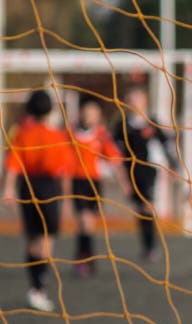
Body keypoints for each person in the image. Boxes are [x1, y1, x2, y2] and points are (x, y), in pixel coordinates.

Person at [1, 90, 73, 311]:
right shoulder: (58, 136)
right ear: (51, 109)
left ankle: (35, 287)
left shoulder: (23, 134)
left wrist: (9, 189)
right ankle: (40, 286)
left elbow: (13, 164)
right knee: (47, 239)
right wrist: (68, 199)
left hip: (28, 185)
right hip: (49, 187)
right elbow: (65, 171)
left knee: (33, 238)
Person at [114, 85, 176, 262]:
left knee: (147, 206)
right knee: (141, 210)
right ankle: (147, 245)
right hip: (130, 173)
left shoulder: (152, 122)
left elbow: (166, 144)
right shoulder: (122, 127)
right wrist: (123, 181)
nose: (135, 104)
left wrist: (173, 165)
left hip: (149, 170)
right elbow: (116, 154)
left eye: (138, 100)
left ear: (145, 101)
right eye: (131, 101)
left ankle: (151, 246)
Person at [71, 97, 130, 277]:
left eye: (93, 113)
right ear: (81, 113)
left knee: (88, 224)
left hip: (93, 184)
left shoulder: (101, 135)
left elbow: (116, 161)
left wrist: (125, 184)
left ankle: (85, 257)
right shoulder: (70, 134)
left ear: (98, 117)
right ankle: (85, 259)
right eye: (87, 112)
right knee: (84, 221)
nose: (89, 116)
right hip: (76, 182)